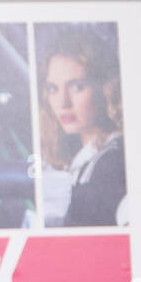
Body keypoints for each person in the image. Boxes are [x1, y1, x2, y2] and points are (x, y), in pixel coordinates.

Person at [37, 27, 127, 227]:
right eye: (53, 89)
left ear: (106, 87)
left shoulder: (112, 163)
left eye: (77, 87)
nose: (63, 102)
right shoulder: (88, 159)